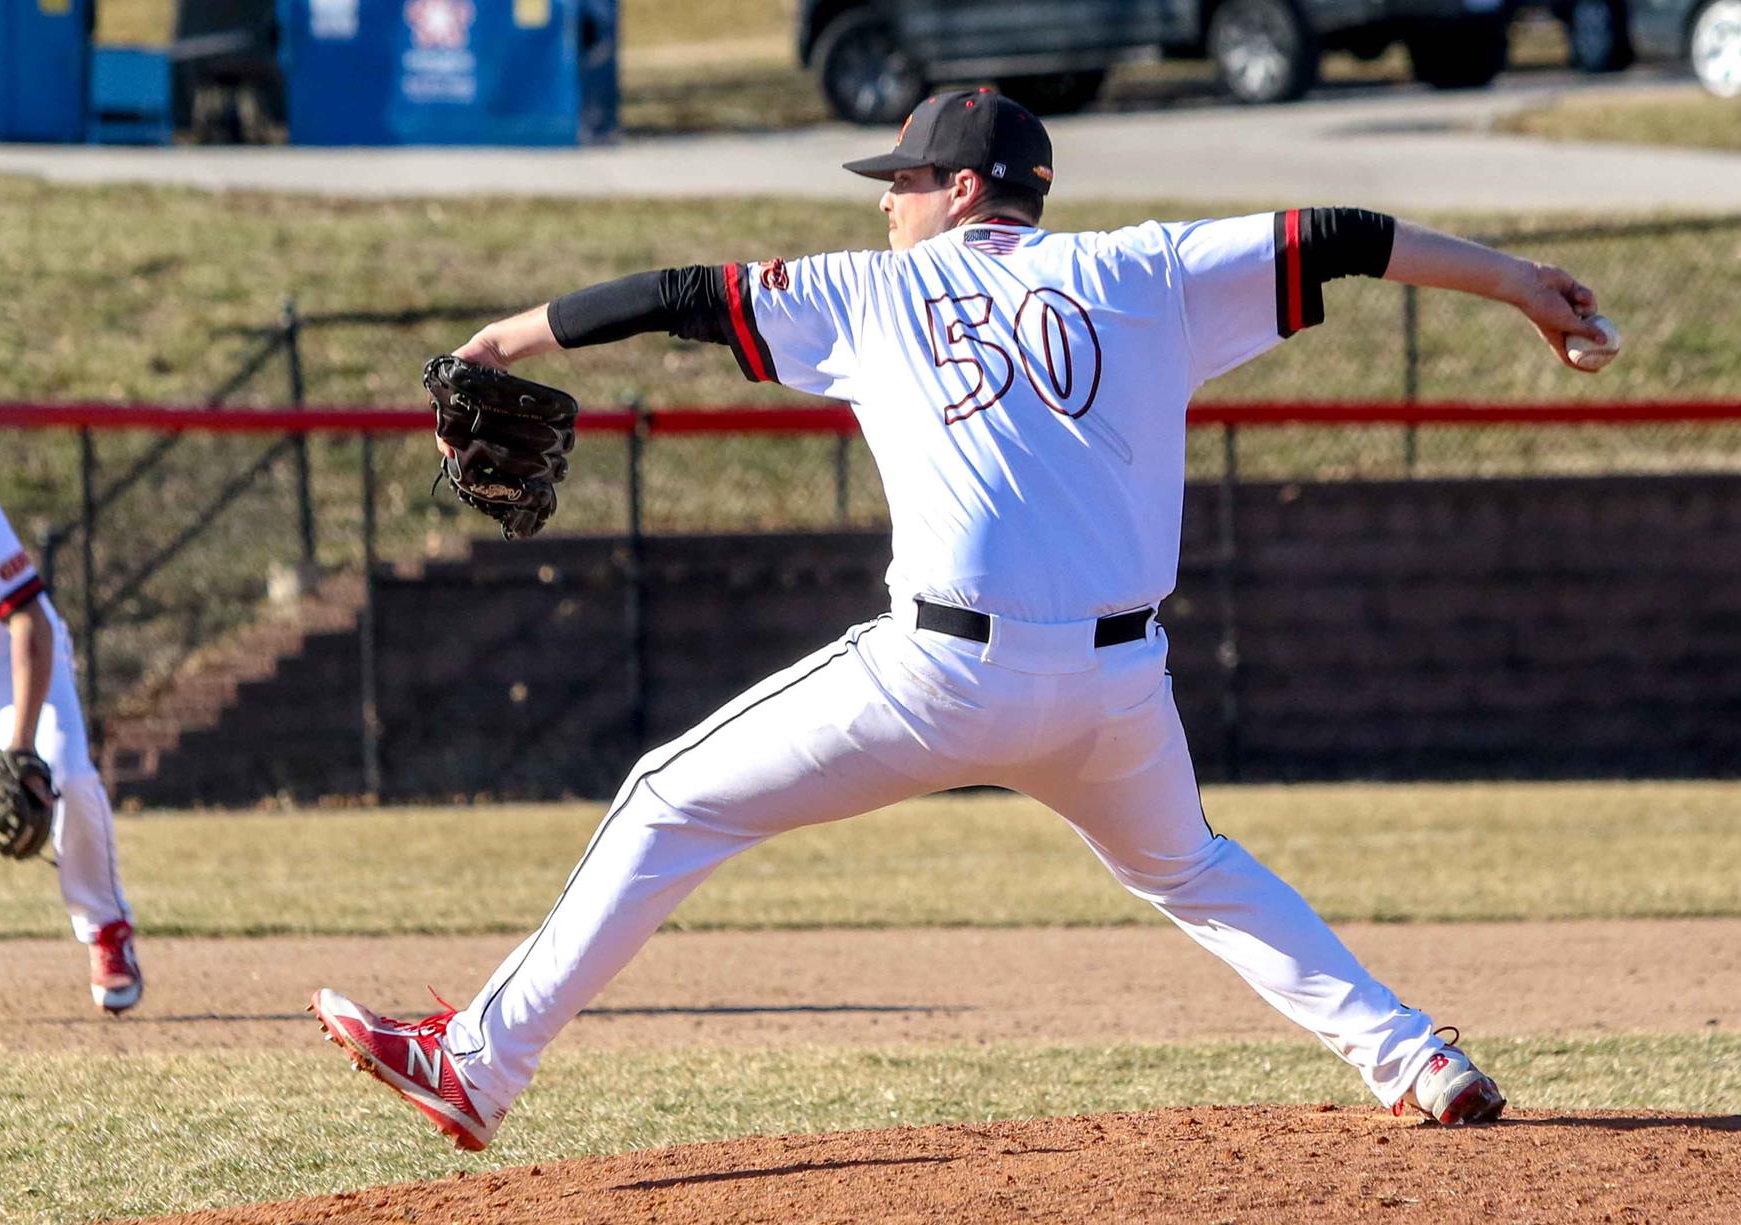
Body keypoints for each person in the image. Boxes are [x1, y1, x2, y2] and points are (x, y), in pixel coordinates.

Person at [311, 89, 1608, 1151]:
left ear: (968, 189)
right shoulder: (1147, 271)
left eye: (905, 179)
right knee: (1194, 870)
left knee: (666, 796)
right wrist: (1519, 286)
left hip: (940, 670)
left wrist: (513, 337)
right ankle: (1416, 1056)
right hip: (1115, 691)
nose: (888, 201)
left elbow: (681, 296)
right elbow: (1340, 230)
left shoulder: (873, 295)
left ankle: (474, 1068)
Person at [0, 502, 142, 1014]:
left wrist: (19, 747)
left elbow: (28, 618)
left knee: (66, 773)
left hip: (14, 662)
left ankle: (106, 928)